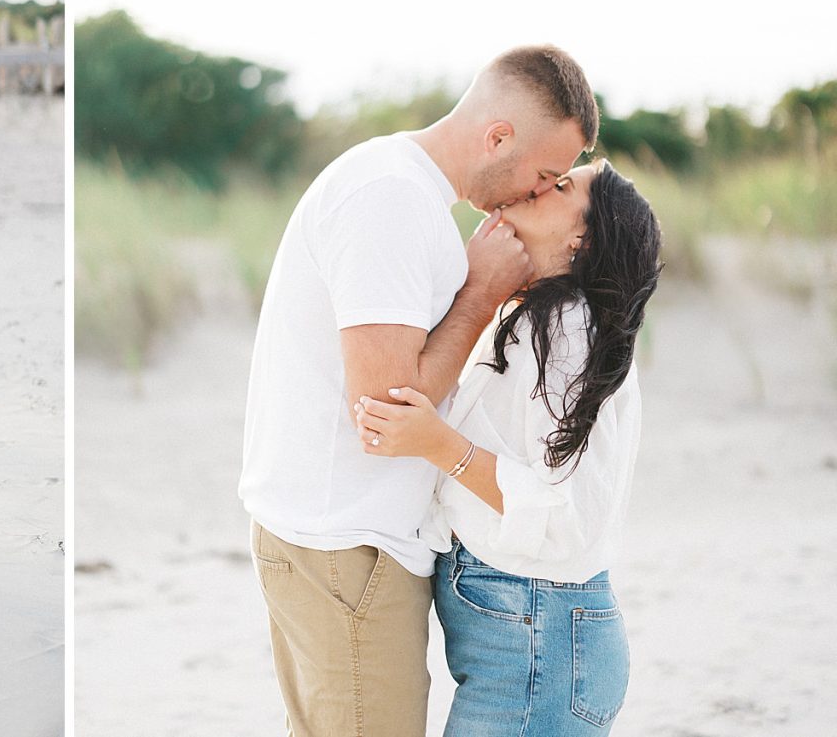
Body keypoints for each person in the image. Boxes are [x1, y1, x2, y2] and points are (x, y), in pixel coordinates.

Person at [240, 45, 600, 737]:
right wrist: (480, 293)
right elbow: (386, 404)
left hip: (341, 540)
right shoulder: (391, 197)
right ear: (498, 137)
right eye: (544, 174)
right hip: (344, 544)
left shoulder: (407, 193)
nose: (536, 193)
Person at [354, 160, 661, 735]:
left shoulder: (570, 330)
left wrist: (438, 444)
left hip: (539, 641)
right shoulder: (531, 314)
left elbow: (561, 513)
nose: (540, 184)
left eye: (562, 186)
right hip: (529, 638)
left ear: (582, 238)